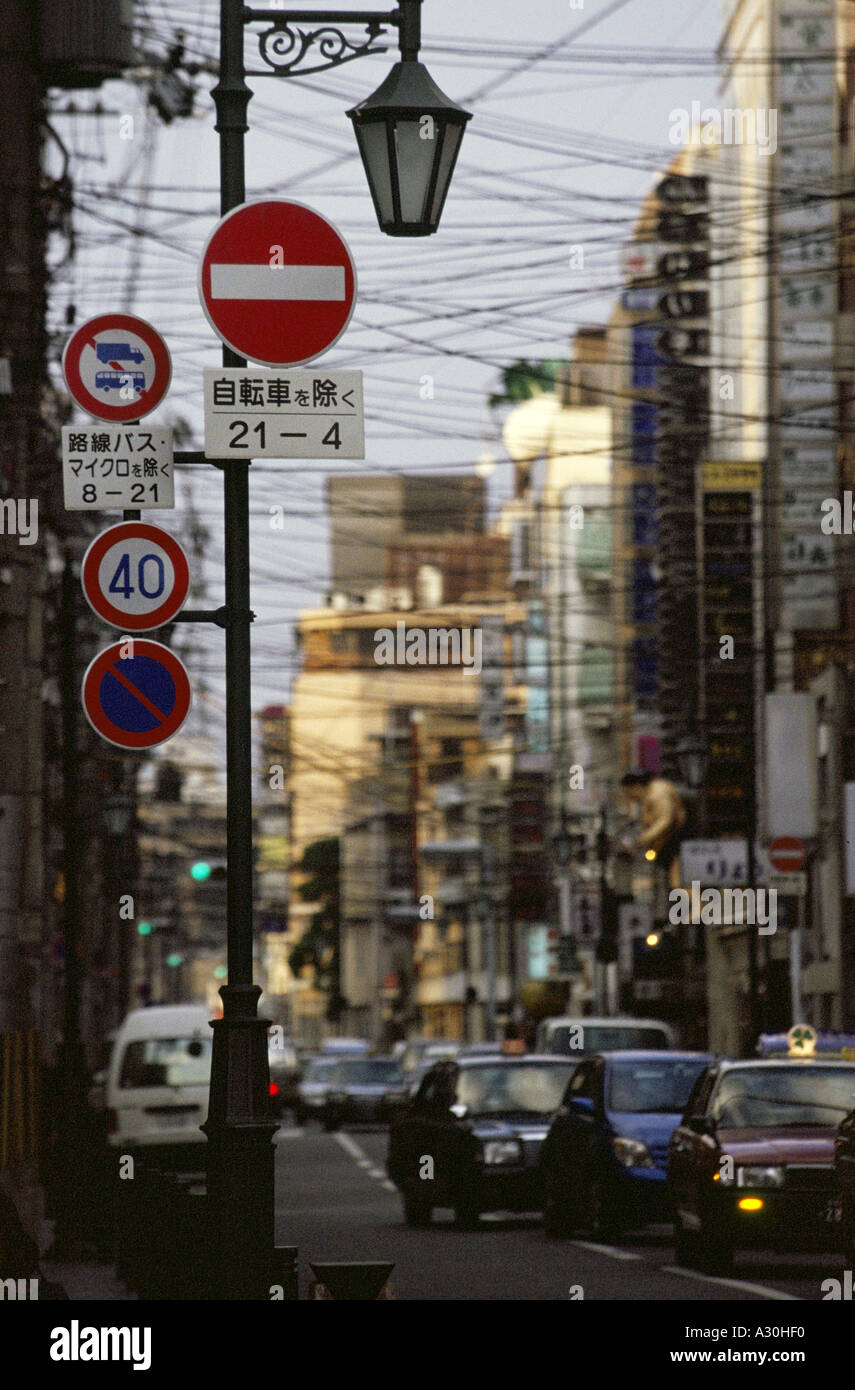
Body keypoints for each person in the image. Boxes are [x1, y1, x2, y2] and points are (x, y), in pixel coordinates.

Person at [620, 769, 686, 890]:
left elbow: (666, 820)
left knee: (679, 883)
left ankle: (699, 907)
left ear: (637, 786)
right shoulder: (651, 794)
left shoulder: (658, 793)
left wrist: (643, 839)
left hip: (675, 840)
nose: (631, 797)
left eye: (629, 792)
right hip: (667, 842)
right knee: (676, 882)